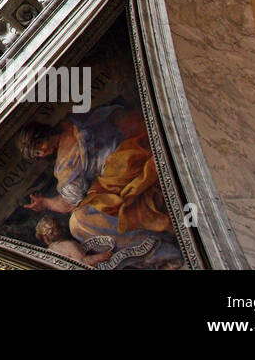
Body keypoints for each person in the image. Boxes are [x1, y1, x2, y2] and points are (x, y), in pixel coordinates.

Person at [18, 104, 183, 269]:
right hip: (132, 149)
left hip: (118, 173)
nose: (42, 154)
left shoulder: (64, 160)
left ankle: (159, 253)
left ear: (41, 141)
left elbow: (70, 201)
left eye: (38, 150)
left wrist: (46, 203)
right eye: (37, 155)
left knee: (80, 222)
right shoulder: (71, 123)